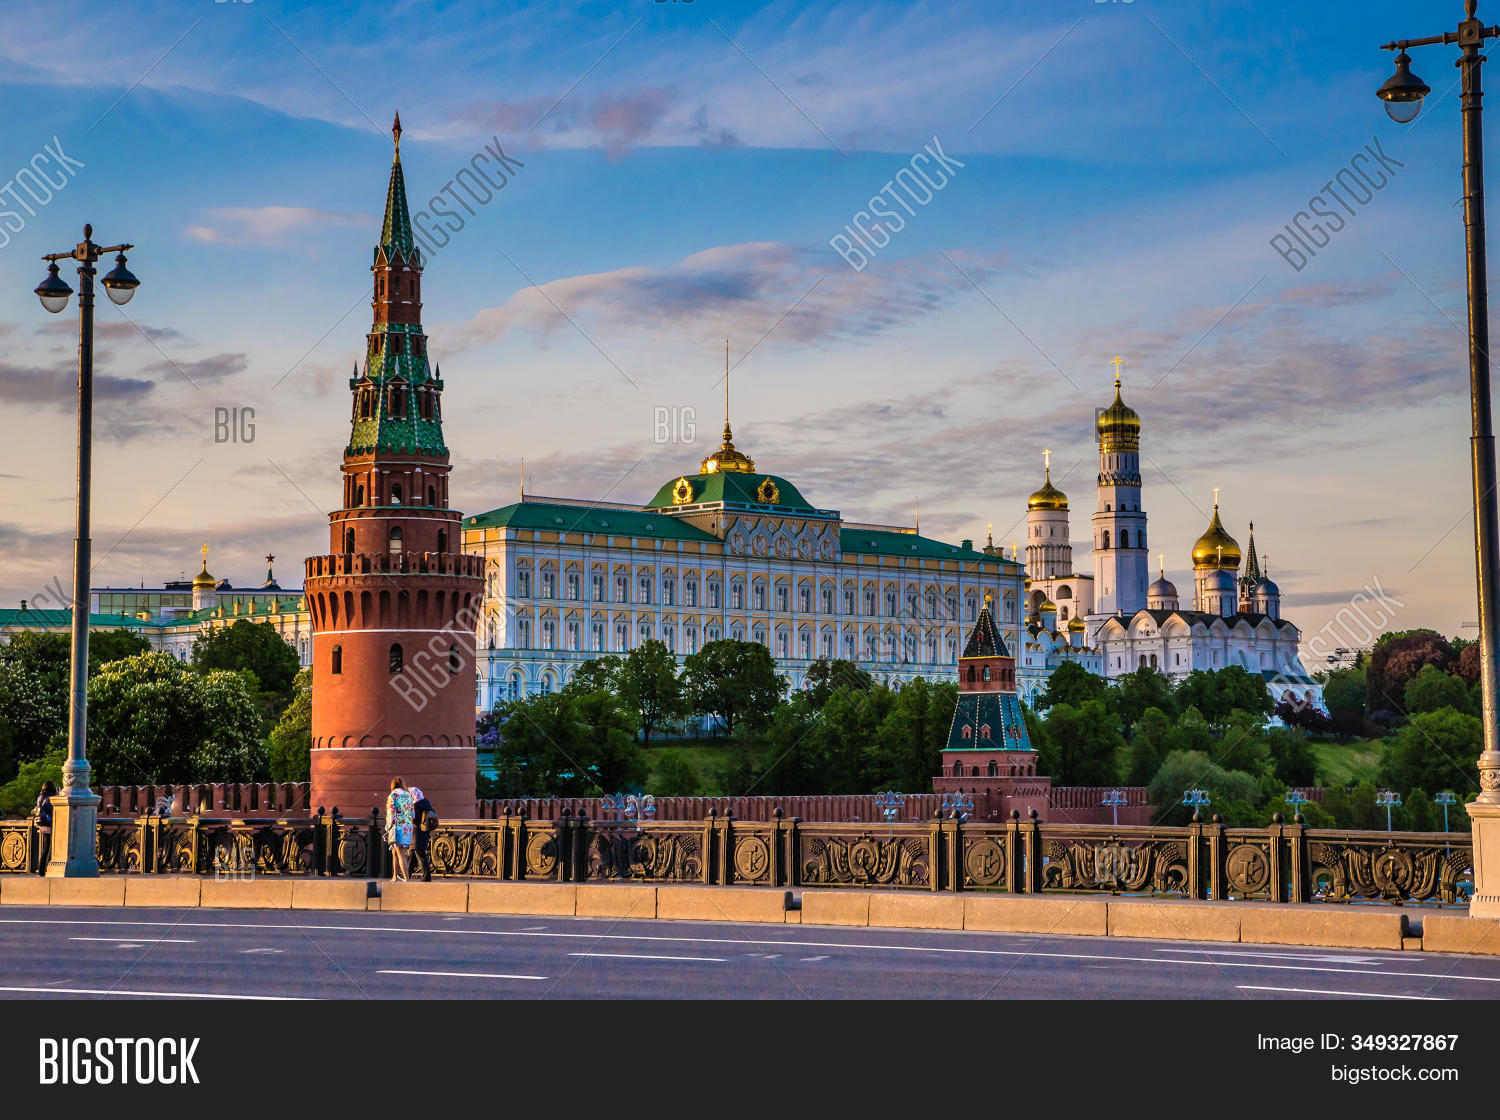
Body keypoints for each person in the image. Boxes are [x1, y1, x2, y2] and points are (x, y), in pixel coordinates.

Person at [384, 778, 414, 881]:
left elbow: (390, 812)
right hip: (407, 827)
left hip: (397, 826)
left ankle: (406, 878)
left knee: (400, 853)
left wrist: (388, 827)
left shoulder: (393, 795)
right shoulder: (408, 795)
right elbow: (412, 813)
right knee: (396, 852)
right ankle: (394, 876)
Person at [409, 786, 434, 882]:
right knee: (413, 855)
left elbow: (413, 819)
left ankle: (426, 877)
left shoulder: (416, 806)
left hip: (417, 834)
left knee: (421, 855)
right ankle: (406, 875)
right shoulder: (426, 805)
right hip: (424, 832)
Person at [34, 781, 55, 874]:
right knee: (49, 848)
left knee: (45, 848)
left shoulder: (40, 797)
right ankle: (45, 869)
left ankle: (41, 870)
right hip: (49, 824)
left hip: (42, 824)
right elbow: (52, 811)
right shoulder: (49, 799)